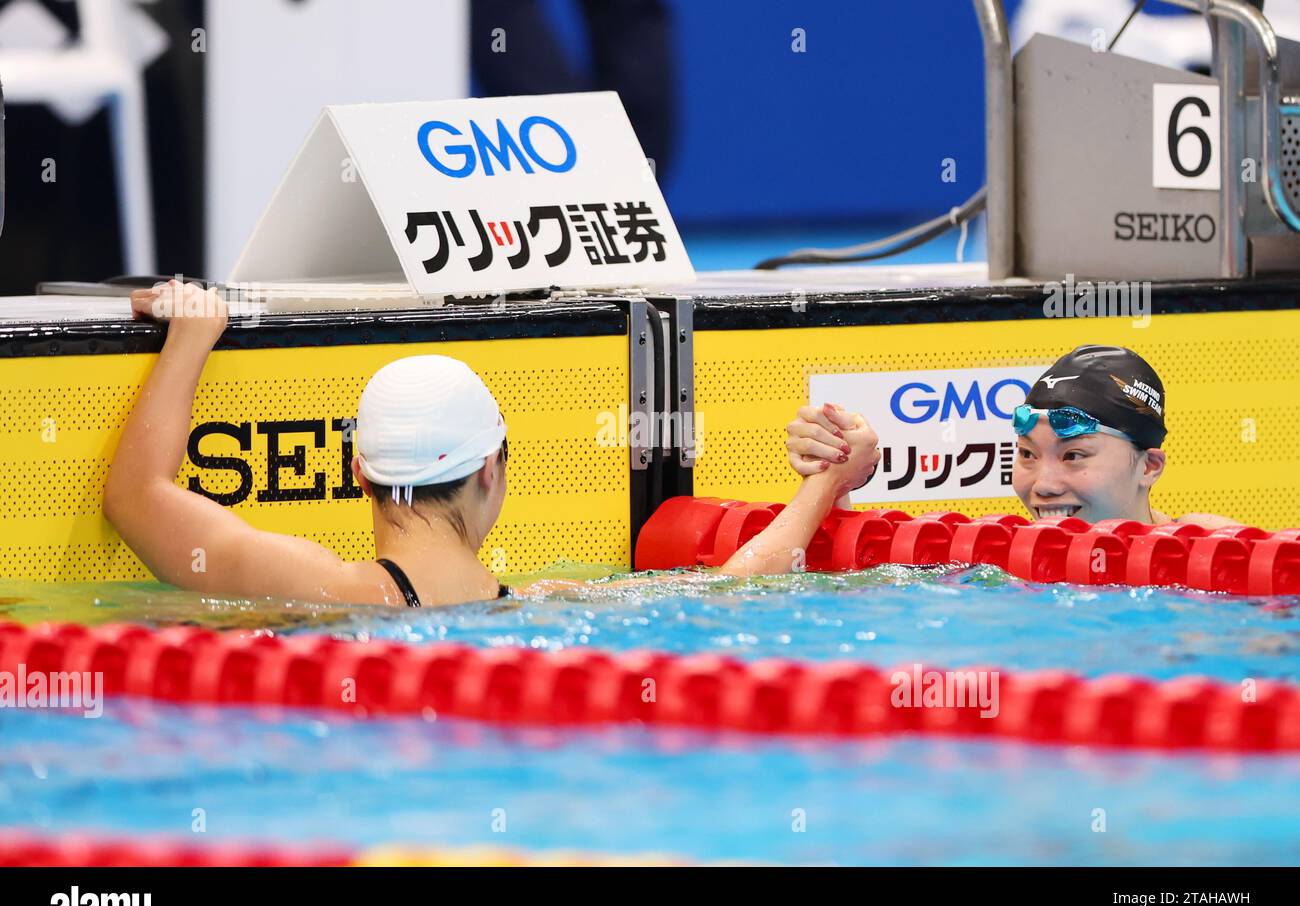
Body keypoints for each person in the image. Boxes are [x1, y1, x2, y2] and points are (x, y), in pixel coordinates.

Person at [104, 281, 877, 607]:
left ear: (357, 476)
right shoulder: (548, 613)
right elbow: (736, 585)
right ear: (494, 471)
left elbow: (137, 497)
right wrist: (828, 482)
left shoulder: (317, 591)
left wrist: (193, 333)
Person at [785, 344, 1239, 529]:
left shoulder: (1207, 546)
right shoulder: (997, 554)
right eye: (1026, 454)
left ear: (1150, 466)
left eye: (1074, 455)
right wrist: (834, 478)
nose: (1043, 484)